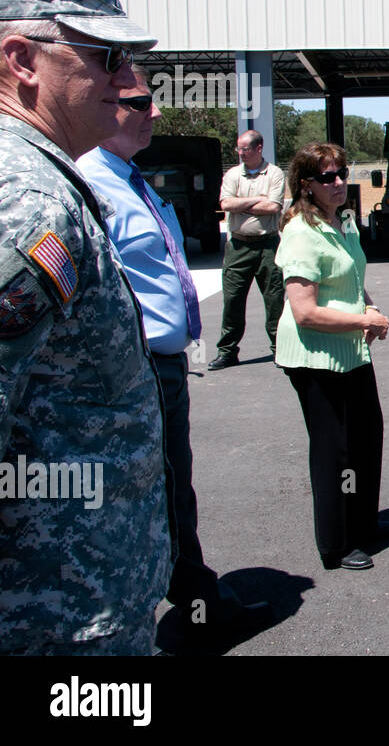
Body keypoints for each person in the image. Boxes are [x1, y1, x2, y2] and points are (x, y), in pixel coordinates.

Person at [0, 0, 170, 654]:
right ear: (21, 60)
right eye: (104, 55)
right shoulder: (29, 205)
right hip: (57, 622)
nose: (125, 77)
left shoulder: (46, 183)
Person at [77, 68, 271, 646]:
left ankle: (190, 595)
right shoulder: (87, 184)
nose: (156, 113)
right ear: (103, 106)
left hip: (163, 367)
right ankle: (176, 607)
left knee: (172, 484)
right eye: (140, 103)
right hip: (131, 371)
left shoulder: (129, 179)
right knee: (150, 490)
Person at [276, 142, 389, 570]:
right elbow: (304, 312)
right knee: (333, 450)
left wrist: (369, 307)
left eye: (343, 172)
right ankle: (336, 543)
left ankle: (363, 523)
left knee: (366, 438)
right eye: (328, 177)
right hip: (315, 356)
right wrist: (364, 322)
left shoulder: (343, 222)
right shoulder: (301, 233)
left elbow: (351, 279)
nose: (340, 182)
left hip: (350, 351)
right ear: (307, 185)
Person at [209, 129, 285, 370]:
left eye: (245, 149)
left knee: (274, 300)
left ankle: (280, 349)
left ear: (259, 148)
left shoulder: (274, 174)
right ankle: (227, 351)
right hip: (238, 245)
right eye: (239, 149)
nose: (240, 153)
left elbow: (273, 207)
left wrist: (240, 205)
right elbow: (225, 204)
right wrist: (254, 200)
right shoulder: (232, 174)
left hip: (268, 246)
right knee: (232, 299)